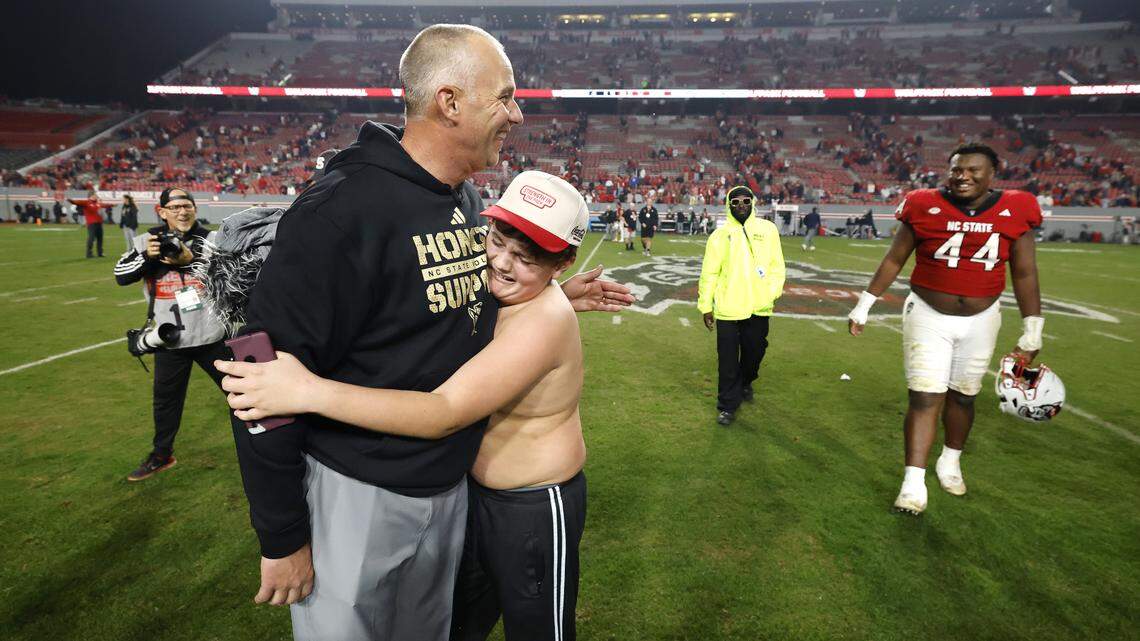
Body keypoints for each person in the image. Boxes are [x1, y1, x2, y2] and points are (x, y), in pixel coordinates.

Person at [221, 24, 632, 641]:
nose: (518, 114)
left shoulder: (463, 200)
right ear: (450, 101)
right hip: (358, 493)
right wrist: (282, 535)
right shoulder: (340, 209)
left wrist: (553, 300)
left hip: (450, 494)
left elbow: (452, 314)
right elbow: (259, 375)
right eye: (506, 96)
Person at [219, 171, 591, 641]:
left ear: (563, 262)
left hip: (535, 504)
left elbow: (445, 411)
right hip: (479, 498)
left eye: (526, 258)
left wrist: (309, 390)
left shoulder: (544, 318)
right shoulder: (515, 297)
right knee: (459, 627)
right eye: (495, 241)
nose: (499, 262)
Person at [847, 142, 1044, 515]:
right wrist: (864, 304)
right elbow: (894, 259)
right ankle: (913, 482)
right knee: (924, 396)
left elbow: (1024, 272)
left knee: (964, 395)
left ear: (992, 174)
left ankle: (950, 460)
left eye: (973, 170)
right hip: (927, 312)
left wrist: (1032, 328)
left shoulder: (1017, 207)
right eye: (956, 170)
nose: (963, 177)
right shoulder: (923, 203)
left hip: (983, 317)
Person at [114, 187, 228, 481]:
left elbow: (227, 272)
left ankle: (265, 442)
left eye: (187, 205)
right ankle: (161, 455)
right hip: (169, 338)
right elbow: (121, 275)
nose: (182, 211)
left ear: (194, 208)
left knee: (241, 392)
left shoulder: (212, 239)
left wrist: (189, 259)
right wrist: (148, 257)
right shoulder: (146, 241)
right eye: (174, 206)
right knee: (165, 402)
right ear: (162, 212)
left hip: (211, 335)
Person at [697, 186, 785, 426]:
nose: (741, 205)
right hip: (727, 308)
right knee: (726, 361)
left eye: (746, 200)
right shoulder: (719, 235)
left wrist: (771, 293)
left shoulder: (768, 230)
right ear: (728, 205)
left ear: (753, 202)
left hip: (759, 307)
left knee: (755, 354)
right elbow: (709, 273)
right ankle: (727, 405)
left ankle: (746, 381)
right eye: (735, 202)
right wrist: (706, 305)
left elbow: (777, 267)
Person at [69, 189, 105, 258]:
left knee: (100, 239)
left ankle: (100, 253)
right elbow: (78, 202)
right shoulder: (87, 202)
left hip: (99, 223)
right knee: (91, 238)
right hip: (91, 224)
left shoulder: (97, 203)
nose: (97, 196)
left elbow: (104, 206)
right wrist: (71, 201)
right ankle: (89, 253)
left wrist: (111, 205)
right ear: (92, 195)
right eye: (95, 195)